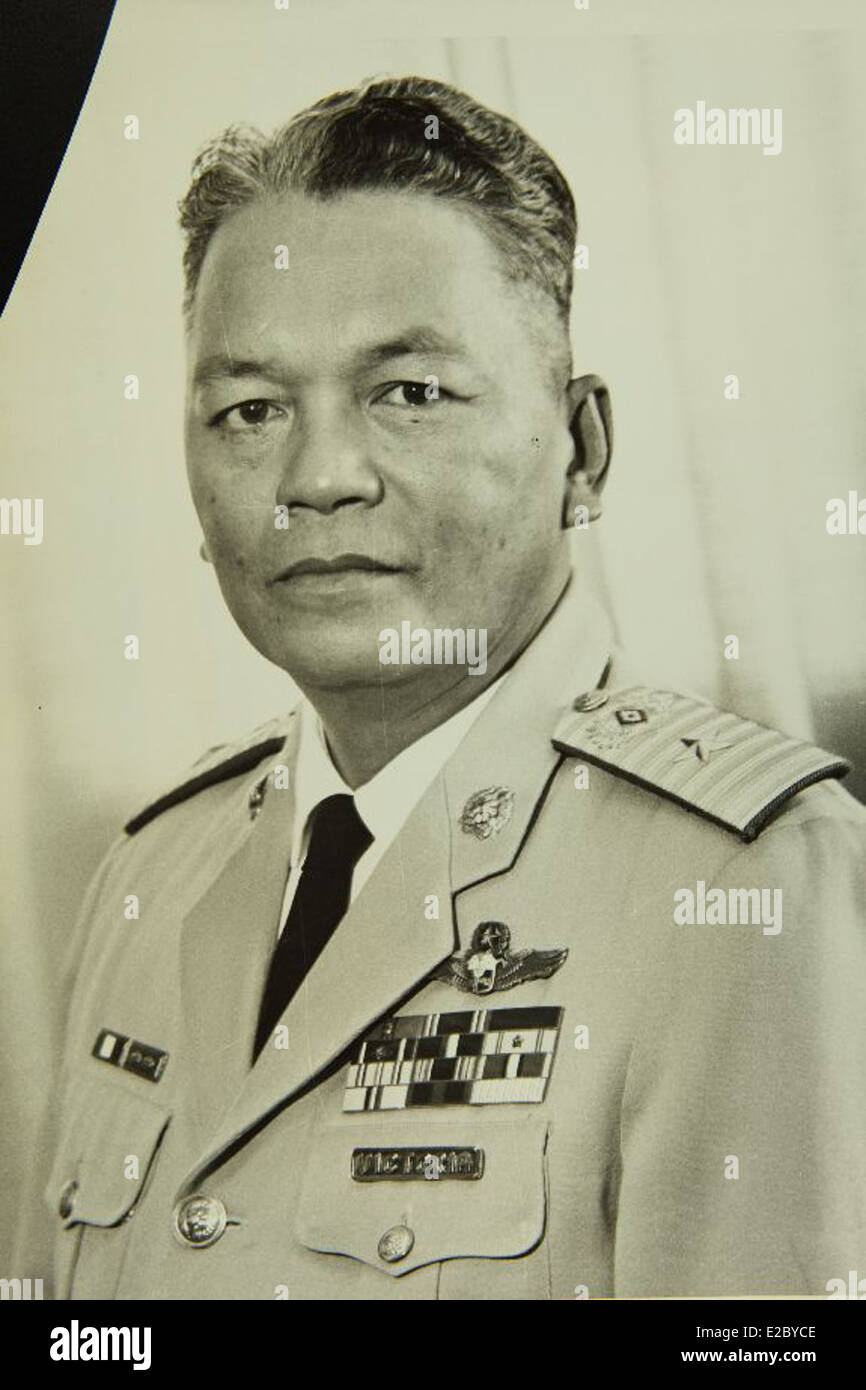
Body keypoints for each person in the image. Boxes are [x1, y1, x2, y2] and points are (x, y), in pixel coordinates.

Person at [29, 76, 866, 1300]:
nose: (316, 478)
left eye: (407, 394)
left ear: (580, 448)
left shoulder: (746, 890)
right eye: (250, 409)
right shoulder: (152, 876)